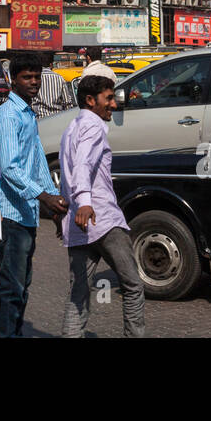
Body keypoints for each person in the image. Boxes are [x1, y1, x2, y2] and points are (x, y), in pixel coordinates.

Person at [60, 75, 145, 338]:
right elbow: (83, 165)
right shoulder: (93, 127)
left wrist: (67, 210)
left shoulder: (71, 128)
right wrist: (85, 202)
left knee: (78, 294)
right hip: (101, 217)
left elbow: (68, 174)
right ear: (90, 100)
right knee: (133, 286)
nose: (114, 105)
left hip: (78, 220)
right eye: (108, 98)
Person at [0, 54, 68, 338]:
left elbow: (36, 164)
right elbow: (9, 167)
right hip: (10, 213)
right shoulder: (8, 116)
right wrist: (44, 197)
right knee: (12, 285)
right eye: (27, 77)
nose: (33, 82)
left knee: (22, 283)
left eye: (37, 76)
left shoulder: (26, 113)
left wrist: (54, 201)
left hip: (26, 213)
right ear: (13, 79)